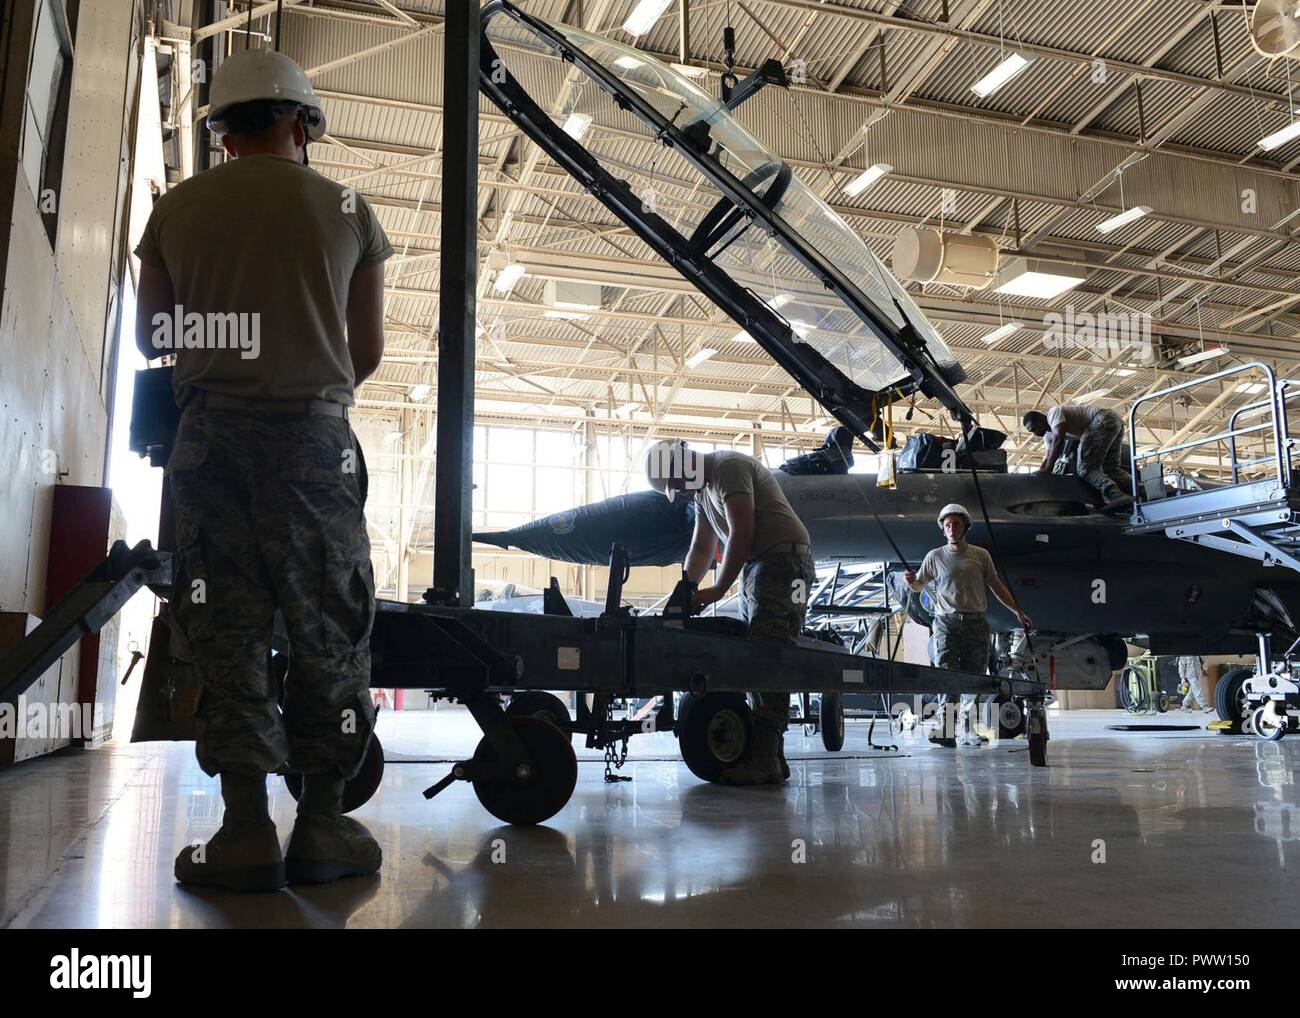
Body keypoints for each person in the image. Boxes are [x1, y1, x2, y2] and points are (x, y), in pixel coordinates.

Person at [134, 49, 393, 891]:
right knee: (328, 626)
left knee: (226, 627)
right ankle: (322, 823)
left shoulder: (175, 209)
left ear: (222, 131)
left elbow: (156, 341)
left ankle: (244, 828)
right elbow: (366, 352)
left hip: (207, 447)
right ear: (300, 122)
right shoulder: (347, 209)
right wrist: (300, 374)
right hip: (313, 445)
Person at [645, 439, 816, 785]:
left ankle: (764, 759)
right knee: (754, 654)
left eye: (675, 480)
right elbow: (702, 547)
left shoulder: (728, 468)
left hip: (782, 561)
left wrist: (718, 590)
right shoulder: (703, 493)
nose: (677, 489)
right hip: (759, 566)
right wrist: (685, 592)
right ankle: (771, 757)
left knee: (769, 656)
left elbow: (742, 532)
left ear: (683, 459)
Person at [904, 504, 1033, 747]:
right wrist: (910, 581)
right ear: (943, 529)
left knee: (973, 678)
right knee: (947, 676)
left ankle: (967, 729)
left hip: (975, 625)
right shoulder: (935, 556)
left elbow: (996, 587)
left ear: (965, 527)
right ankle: (947, 729)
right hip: (946, 624)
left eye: (957, 524)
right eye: (948, 525)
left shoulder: (980, 555)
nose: (952, 529)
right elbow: (919, 585)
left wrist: (1017, 611)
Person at [1023, 404, 1133, 511]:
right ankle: (1143, 491)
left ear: (1040, 419)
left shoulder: (1053, 413)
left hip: (1102, 419)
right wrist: (1041, 472)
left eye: (1034, 429)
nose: (1035, 434)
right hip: (1114, 422)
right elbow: (1048, 456)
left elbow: (1059, 439)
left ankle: (1115, 495)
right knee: (1110, 469)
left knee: (1086, 468)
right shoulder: (1048, 436)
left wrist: (1048, 470)